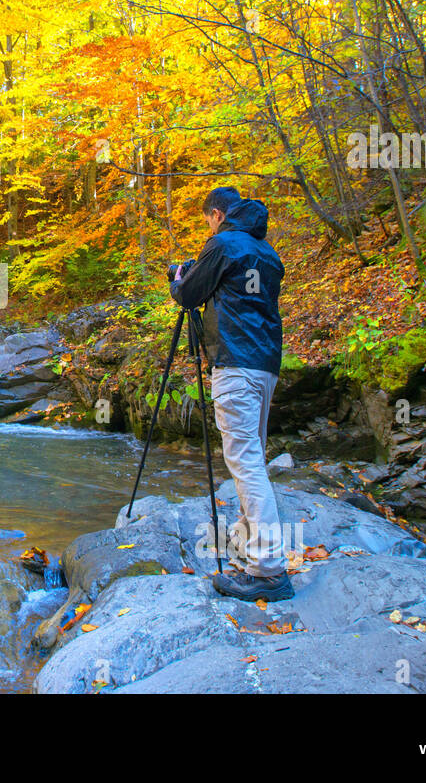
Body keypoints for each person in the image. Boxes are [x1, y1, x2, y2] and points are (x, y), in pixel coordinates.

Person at [170, 186, 292, 602]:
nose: (207, 226)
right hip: (265, 365)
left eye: (207, 220)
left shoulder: (221, 243)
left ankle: (268, 570)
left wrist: (179, 278)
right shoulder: (267, 253)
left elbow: (189, 295)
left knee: (246, 464)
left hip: (235, 364)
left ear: (218, 214)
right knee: (253, 458)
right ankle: (246, 545)